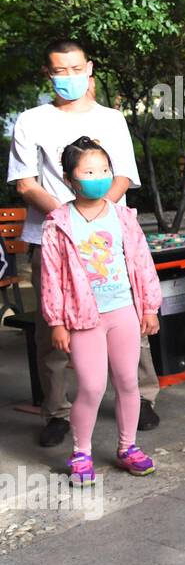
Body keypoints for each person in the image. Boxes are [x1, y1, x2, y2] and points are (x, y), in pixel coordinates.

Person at [7, 38, 162, 447]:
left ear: (90, 69)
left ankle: (142, 396)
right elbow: (25, 182)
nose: (69, 78)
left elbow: (123, 176)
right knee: (53, 329)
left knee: (127, 317)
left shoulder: (112, 119)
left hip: (111, 241)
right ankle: (56, 411)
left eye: (77, 69)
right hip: (52, 238)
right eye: (60, 71)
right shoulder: (31, 121)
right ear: (48, 74)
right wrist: (67, 219)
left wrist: (98, 218)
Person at [40, 136, 162, 485]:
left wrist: (149, 307)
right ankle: (81, 453)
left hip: (123, 310)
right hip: (82, 318)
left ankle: (128, 448)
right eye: (89, 171)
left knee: (128, 381)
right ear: (69, 179)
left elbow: (141, 261)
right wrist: (57, 322)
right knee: (92, 387)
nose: (99, 176)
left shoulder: (123, 217)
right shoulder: (58, 224)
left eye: (104, 169)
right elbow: (51, 276)